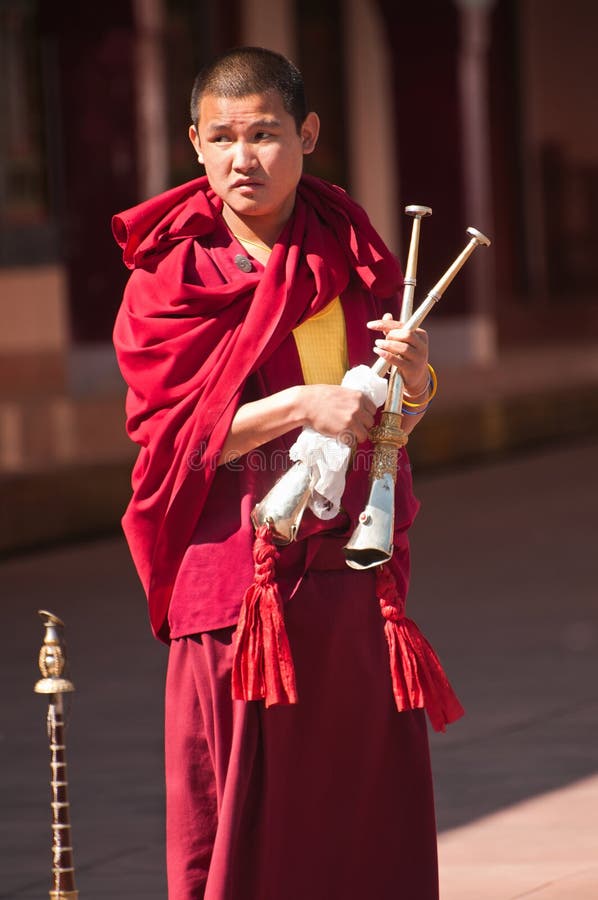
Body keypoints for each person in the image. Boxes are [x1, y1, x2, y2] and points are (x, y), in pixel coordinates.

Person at [112, 46, 463, 900]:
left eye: (265, 134)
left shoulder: (345, 251)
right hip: (239, 590)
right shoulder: (171, 279)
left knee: (356, 831)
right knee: (242, 830)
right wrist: (302, 406)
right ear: (194, 144)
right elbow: (172, 443)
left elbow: (384, 426)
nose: (243, 158)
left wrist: (416, 382)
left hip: (350, 582)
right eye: (222, 138)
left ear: (307, 135)